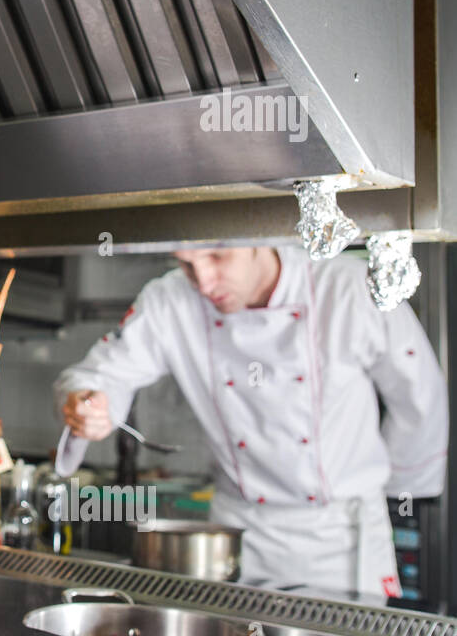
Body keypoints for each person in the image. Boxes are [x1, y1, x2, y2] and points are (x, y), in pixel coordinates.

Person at [56, 245, 447, 601]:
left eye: (218, 257)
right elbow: (100, 375)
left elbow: (419, 396)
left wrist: (401, 490)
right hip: (234, 537)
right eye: (187, 264)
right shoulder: (169, 298)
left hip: (341, 538)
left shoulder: (347, 286)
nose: (204, 282)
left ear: (262, 238)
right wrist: (90, 403)